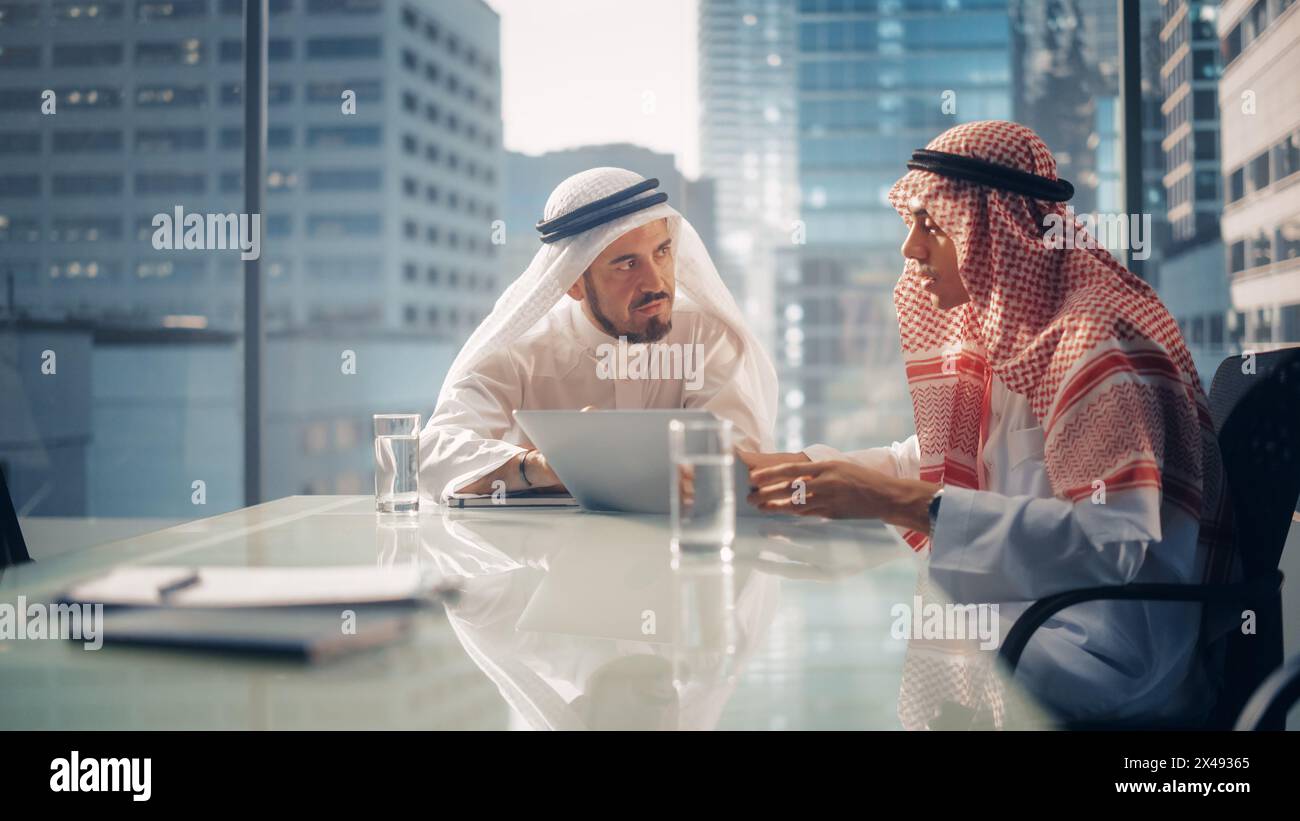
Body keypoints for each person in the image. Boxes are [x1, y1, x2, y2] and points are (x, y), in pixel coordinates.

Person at [743, 120, 1236, 723]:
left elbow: (1116, 545)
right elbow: (927, 460)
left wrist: (907, 505)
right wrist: (800, 472)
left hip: (1099, 645)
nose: (910, 249)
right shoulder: (1013, 331)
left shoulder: (1095, 339)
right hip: (1033, 611)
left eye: (933, 224)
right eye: (910, 224)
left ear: (996, 230)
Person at [420, 167, 777, 502]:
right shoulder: (521, 348)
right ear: (573, 283)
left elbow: (736, 460)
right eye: (626, 264)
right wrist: (542, 466)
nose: (655, 283)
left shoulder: (705, 334)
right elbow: (433, 452)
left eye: (662, 252)